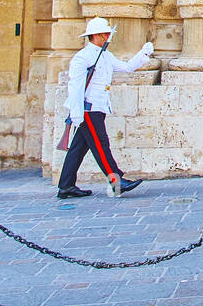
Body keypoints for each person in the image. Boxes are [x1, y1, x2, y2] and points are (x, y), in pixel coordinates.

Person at [57, 17, 153, 199]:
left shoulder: (105, 55)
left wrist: (144, 54)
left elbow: (126, 68)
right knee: (101, 146)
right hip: (88, 110)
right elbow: (76, 86)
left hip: (99, 107)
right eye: (106, 34)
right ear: (95, 36)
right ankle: (117, 181)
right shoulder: (82, 57)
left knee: (78, 148)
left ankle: (66, 185)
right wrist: (76, 113)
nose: (109, 37)